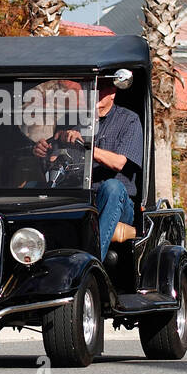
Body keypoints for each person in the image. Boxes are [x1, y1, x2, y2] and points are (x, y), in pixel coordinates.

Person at [34, 79, 143, 259]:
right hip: (79, 199)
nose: (95, 92)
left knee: (112, 187)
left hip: (117, 203)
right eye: (91, 88)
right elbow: (54, 166)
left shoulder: (129, 120)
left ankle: (92, 262)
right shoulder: (70, 120)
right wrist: (43, 153)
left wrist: (85, 145)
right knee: (32, 187)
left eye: (101, 88)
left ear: (113, 92)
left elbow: (119, 163)